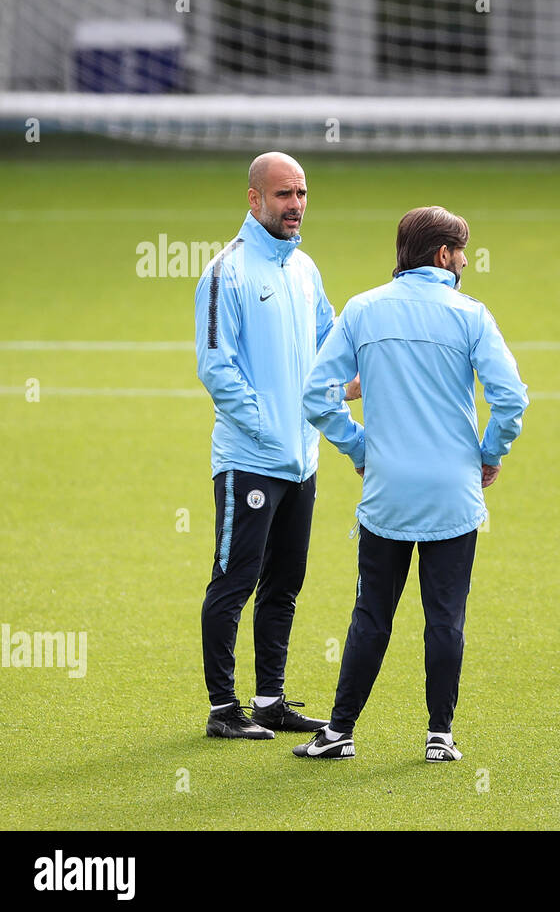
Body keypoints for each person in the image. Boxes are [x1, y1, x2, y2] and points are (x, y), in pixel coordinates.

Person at [294, 206, 528, 761]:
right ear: (443, 255)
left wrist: (359, 448)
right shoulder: (471, 314)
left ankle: (339, 732)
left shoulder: (363, 309)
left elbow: (317, 396)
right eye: (461, 251)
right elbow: (512, 398)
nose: (466, 260)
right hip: (453, 492)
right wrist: (488, 454)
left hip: (388, 492)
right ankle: (439, 737)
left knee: (371, 614)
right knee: (445, 617)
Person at [193, 151, 341, 739]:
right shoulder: (225, 272)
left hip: (302, 462)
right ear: (254, 199)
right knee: (234, 581)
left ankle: (269, 700)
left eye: (302, 193)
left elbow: (331, 341)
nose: (296, 206)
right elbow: (216, 367)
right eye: (284, 194)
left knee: (284, 584)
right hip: (250, 462)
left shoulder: (304, 271)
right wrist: (268, 426)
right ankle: (223, 709)